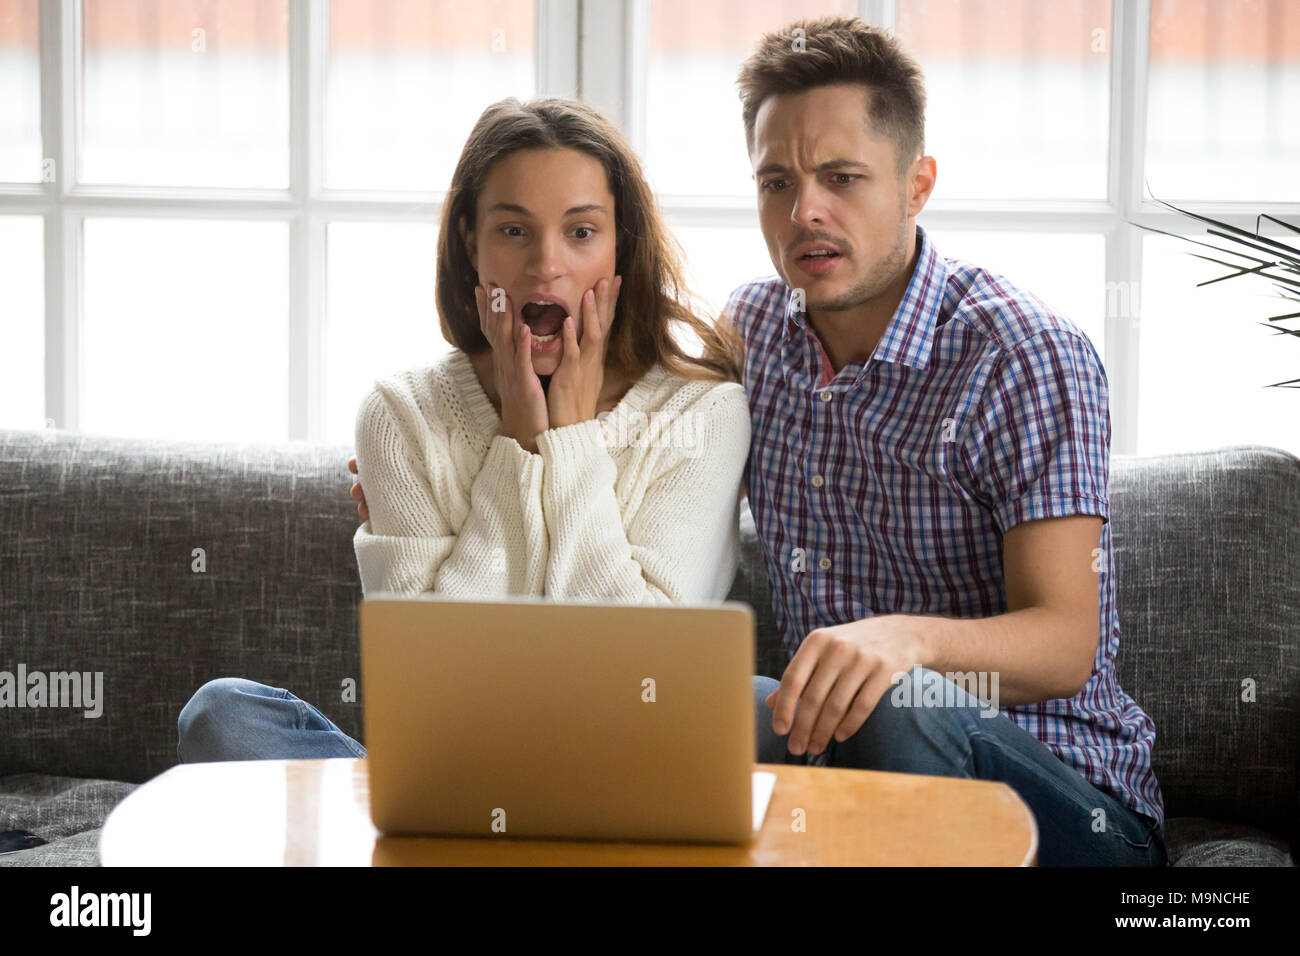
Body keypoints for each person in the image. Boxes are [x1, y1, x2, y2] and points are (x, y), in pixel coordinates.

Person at [176, 97, 750, 763]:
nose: (547, 264)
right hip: (451, 774)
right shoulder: (402, 414)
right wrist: (516, 446)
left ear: (623, 250)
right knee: (225, 716)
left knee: (746, 702)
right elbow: (426, 687)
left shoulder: (702, 413)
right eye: (513, 231)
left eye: (582, 232)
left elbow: (641, 680)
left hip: (626, 771)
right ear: (469, 245)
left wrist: (564, 439)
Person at [729, 16, 1165, 866]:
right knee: (708, 704)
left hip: (1069, 802)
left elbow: (1065, 644)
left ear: (917, 185)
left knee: (904, 702)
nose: (803, 211)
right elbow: (612, 407)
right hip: (847, 768)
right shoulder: (751, 332)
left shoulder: (1023, 354)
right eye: (775, 182)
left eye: (841, 177)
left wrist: (910, 640)